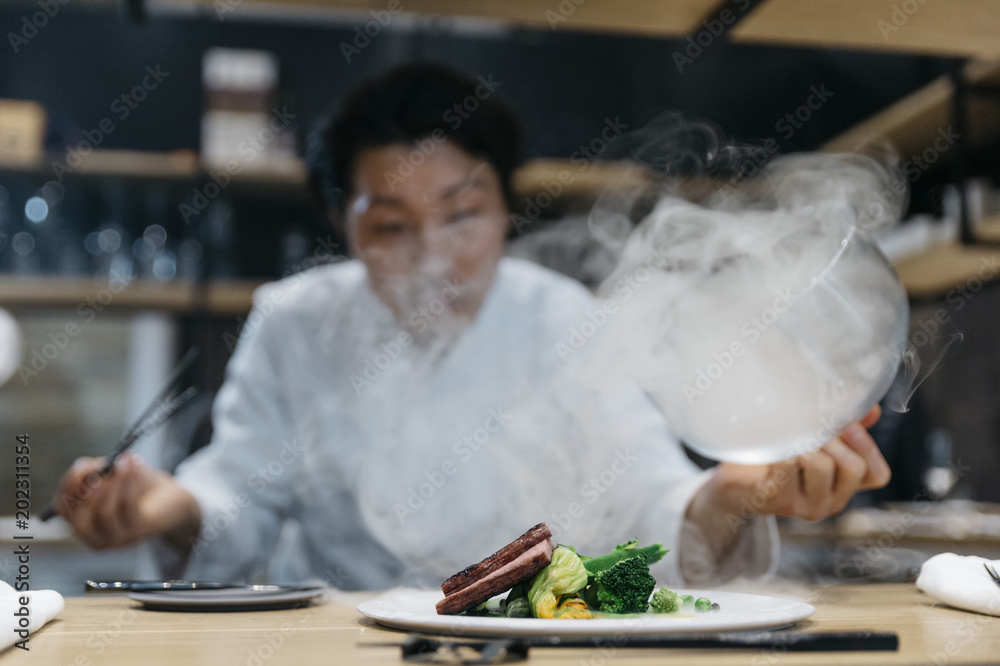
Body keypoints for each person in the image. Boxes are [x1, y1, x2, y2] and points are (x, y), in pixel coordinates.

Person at [52, 64, 890, 589]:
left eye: (463, 215)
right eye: (390, 226)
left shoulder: (561, 317)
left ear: (505, 209)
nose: (435, 257)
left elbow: (650, 505)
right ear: (341, 224)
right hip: (338, 647)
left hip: (524, 640)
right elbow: (237, 493)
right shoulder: (295, 321)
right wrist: (169, 507)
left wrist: (736, 496)